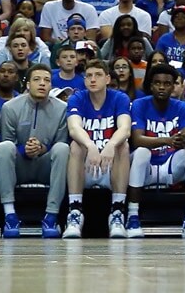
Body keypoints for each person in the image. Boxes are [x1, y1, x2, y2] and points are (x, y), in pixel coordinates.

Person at [0, 64, 70, 238]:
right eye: (37, 80)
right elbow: (8, 140)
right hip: (19, 167)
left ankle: (51, 216)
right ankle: (10, 215)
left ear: (51, 85)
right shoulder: (10, 107)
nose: (42, 84)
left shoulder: (61, 109)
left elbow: (61, 141)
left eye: (47, 80)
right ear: (27, 84)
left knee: (63, 149)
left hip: (45, 166)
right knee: (4, 147)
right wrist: (24, 149)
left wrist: (43, 148)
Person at [125, 62, 185, 237]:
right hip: (146, 168)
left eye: (167, 84)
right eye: (158, 83)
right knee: (142, 151)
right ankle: (133, 216)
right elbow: (137, 139)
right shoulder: (139, 104)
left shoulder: (182, 107)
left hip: (170, 166)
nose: (162, 87)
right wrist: (168, 140)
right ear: (151, 85)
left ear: (174, 86)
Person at [62, 58, 132, 238]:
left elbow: (125, 128)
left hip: (110, 168)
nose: (93, 79)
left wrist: (110, 144)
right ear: (84, 80)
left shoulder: (119, 98)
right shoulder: (77, 98)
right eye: (89, 76)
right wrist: (90, 145)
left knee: (123, 146)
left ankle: (117, 213)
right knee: (75, 146)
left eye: (98, 75)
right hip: (85, 166)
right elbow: (73, 128)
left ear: (108, 79)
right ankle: (75, 212)